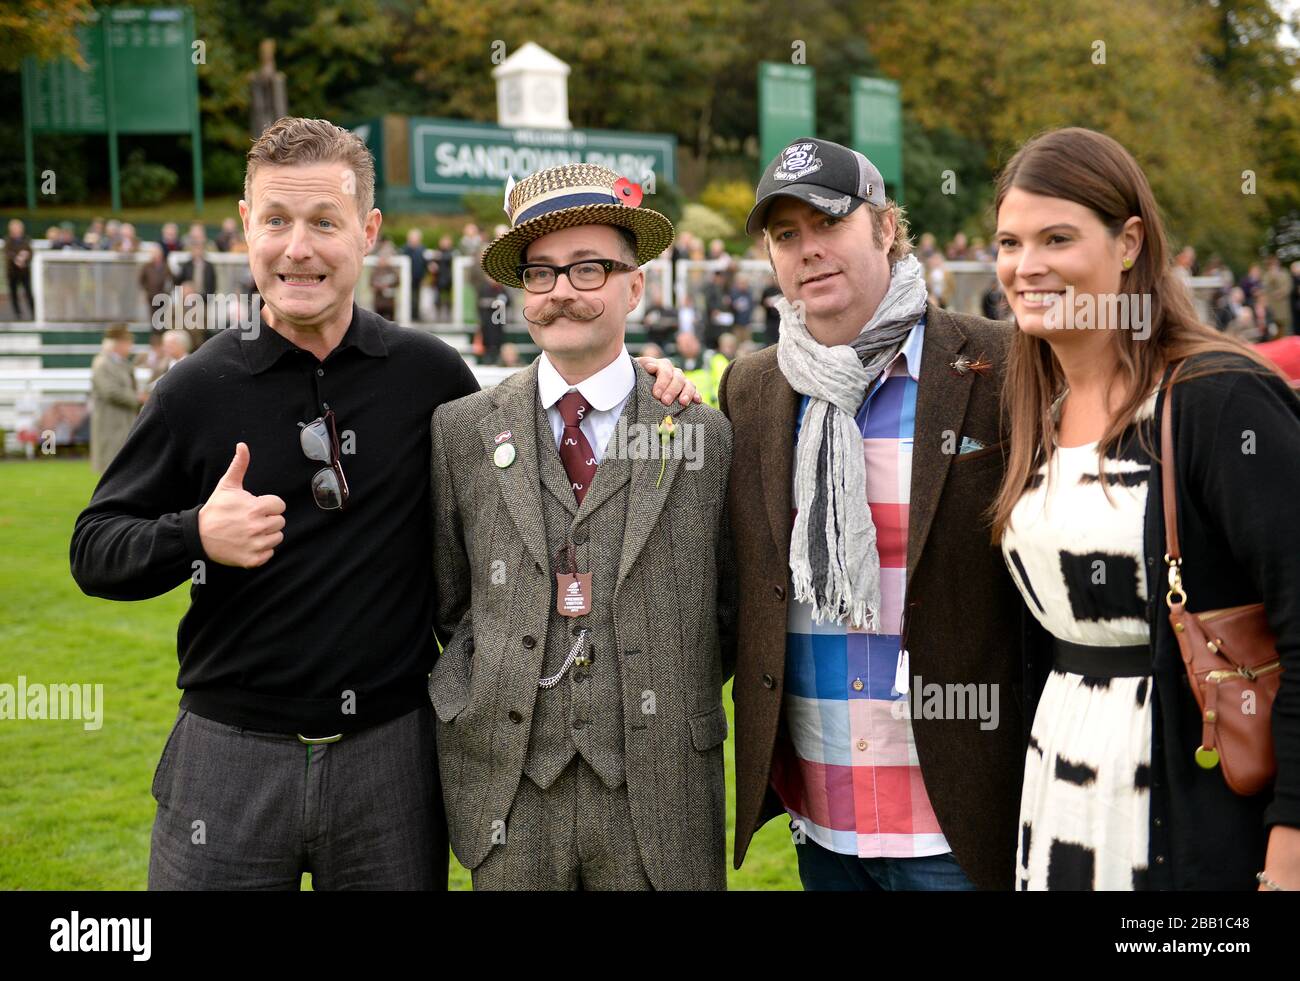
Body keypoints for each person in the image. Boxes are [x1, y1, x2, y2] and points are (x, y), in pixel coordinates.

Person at [69, 118, 695, 893]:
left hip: (390, 758)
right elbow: (93, 547)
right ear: (245, 227)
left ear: (367, 231)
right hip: (228, 756)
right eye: (276, 221)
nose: (298, 247)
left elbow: (547, 435)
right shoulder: (199, 386)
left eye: (324, 222)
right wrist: (194, 532)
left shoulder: (429, 377)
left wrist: (651, 385)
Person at [990, 126, 1300, 891]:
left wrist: (1291, 843)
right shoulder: (1033, 405)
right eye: (1008, 242)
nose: (1027, 266)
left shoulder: (1217, 397)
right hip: (1059, 788)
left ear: (1128, 242)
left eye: (1057, 238)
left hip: (1191, 800)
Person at [722, 137, 1025, 891]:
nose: (808, 250)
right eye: (786, 235)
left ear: (887, 228)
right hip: (822, 816)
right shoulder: (751, 389)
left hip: (959, 811)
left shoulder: (1002, 363)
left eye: (827, 224)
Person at [430, 163, 734, 890]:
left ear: (635, 285)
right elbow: (448, 600)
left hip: (659, 792)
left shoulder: (704, 434)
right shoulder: (462, 430)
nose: (562, 290)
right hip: (510, 788)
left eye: (589, 268)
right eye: (541, 273)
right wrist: (470, 696)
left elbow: (729, 611)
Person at [89, 325, 145, 472]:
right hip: (110, 422)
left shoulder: (122, 363)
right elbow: (109, 391)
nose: (130, 347)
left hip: (125, 421)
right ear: (118, 344)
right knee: (111, 464)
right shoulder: (102, 363)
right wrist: (137, 398)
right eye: (128, 343)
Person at [4, 219, 33, 320]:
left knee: (28, 292)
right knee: (14, 294)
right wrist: (16, 259)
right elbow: (8, 253)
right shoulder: (8, 240)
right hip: (12, 273)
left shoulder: (26, 239)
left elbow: (29, 252)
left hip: (24, 273)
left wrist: (24, 258)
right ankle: (18, 314)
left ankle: (34, 314)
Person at [1262, 255, 1293, 337]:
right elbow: (1265, 287)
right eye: (1271, 264)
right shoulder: (1266, 275)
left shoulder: (1284, 273)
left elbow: (1288, 286)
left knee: (1285, 326)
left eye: (1275, 263)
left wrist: (1281, 293)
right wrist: (1272, 276)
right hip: (1272, 305)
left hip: (1283, 304)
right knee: (1274, 328)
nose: (1273, 265)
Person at [401, 228, 428, 322]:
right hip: (408, 278)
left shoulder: (422, 248)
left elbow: (425, 263)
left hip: (418, 277)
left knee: (417, 296)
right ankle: (409, 314)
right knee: (409, 296)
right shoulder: (405, 249)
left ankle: (416, 315)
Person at [369, 240, 399, 321]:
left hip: (390, 303)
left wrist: (388, 285)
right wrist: (379, 287)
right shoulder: (375, 271)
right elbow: (371, 284)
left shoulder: (392, 270)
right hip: (379, 302)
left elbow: (397, 282)